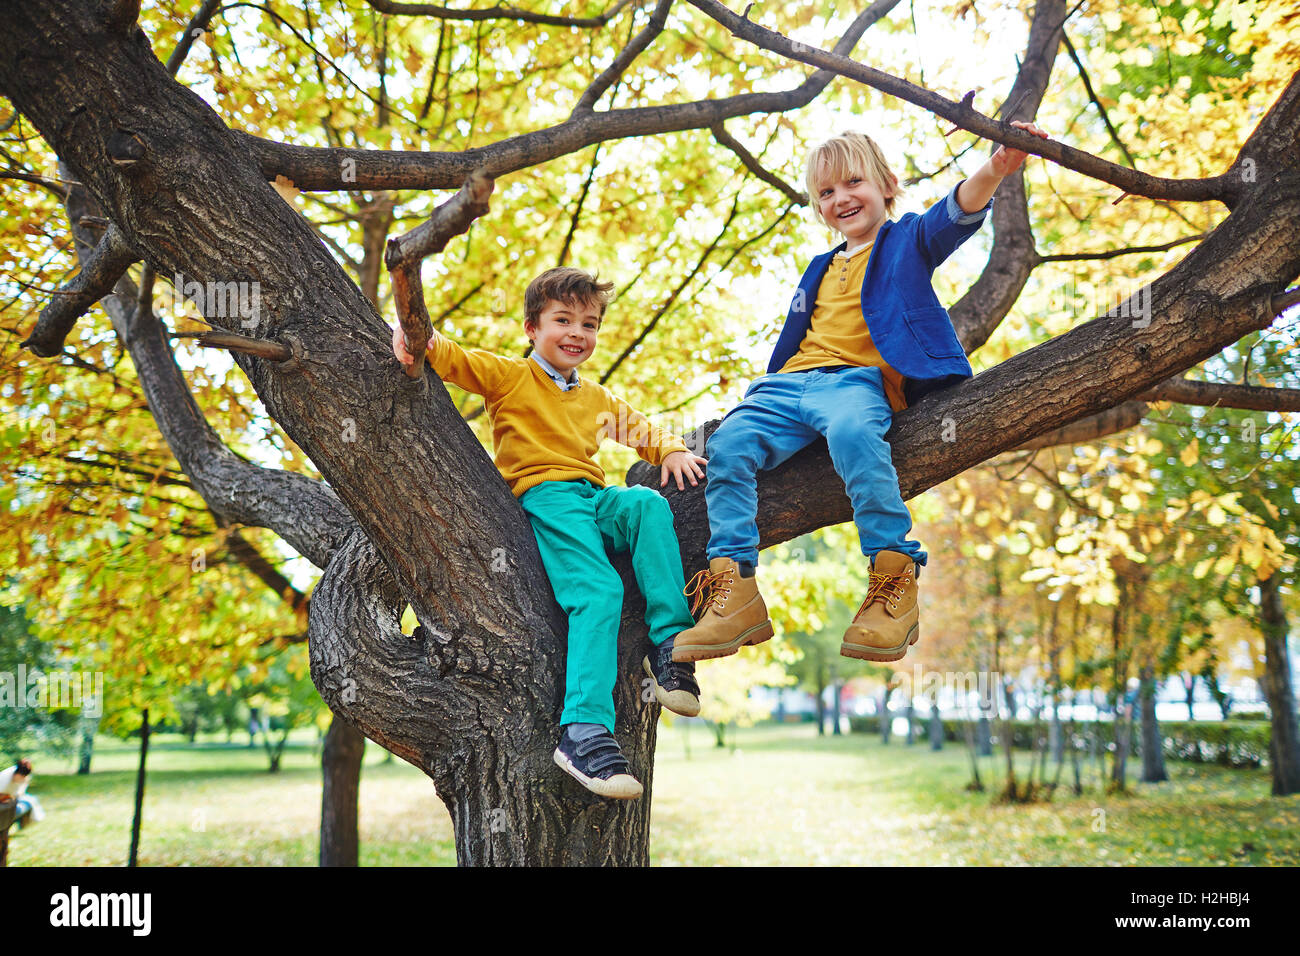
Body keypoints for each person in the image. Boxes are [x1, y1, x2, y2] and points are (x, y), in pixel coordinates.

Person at [674, 121, 1049, 665]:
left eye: (853, 183)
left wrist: (996, 165)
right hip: (789, 386)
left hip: (856, 383)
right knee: (727, 446)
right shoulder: (819, 267)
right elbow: (797, 337)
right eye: (826, 192)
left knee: (853, 433)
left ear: (888, 185)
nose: (841, 198)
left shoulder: (906, 242)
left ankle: (892, 578)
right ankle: (735, 590)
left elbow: (955, 213)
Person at [393, 266, 707, 800]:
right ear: (531, 329)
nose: (576, 333)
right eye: (562, 320)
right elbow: (452, 357)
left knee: (647, 505)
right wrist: (411, 331)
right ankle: (582, 731)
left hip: (593, 498)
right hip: (548, 497)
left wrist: (672, 449)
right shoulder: (511, 377)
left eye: (589, 324)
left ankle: (671, 647)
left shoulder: (598, 398)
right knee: (599, 592)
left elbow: (642, 428)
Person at [0, 758, 46, 828]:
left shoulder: (21, 775)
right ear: (18, 774)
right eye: (22, 777)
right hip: (4, 806)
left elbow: (20, 791)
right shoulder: (4, 778)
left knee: (32, 800)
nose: (23, 779)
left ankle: (24, 823)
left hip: (11, 801)